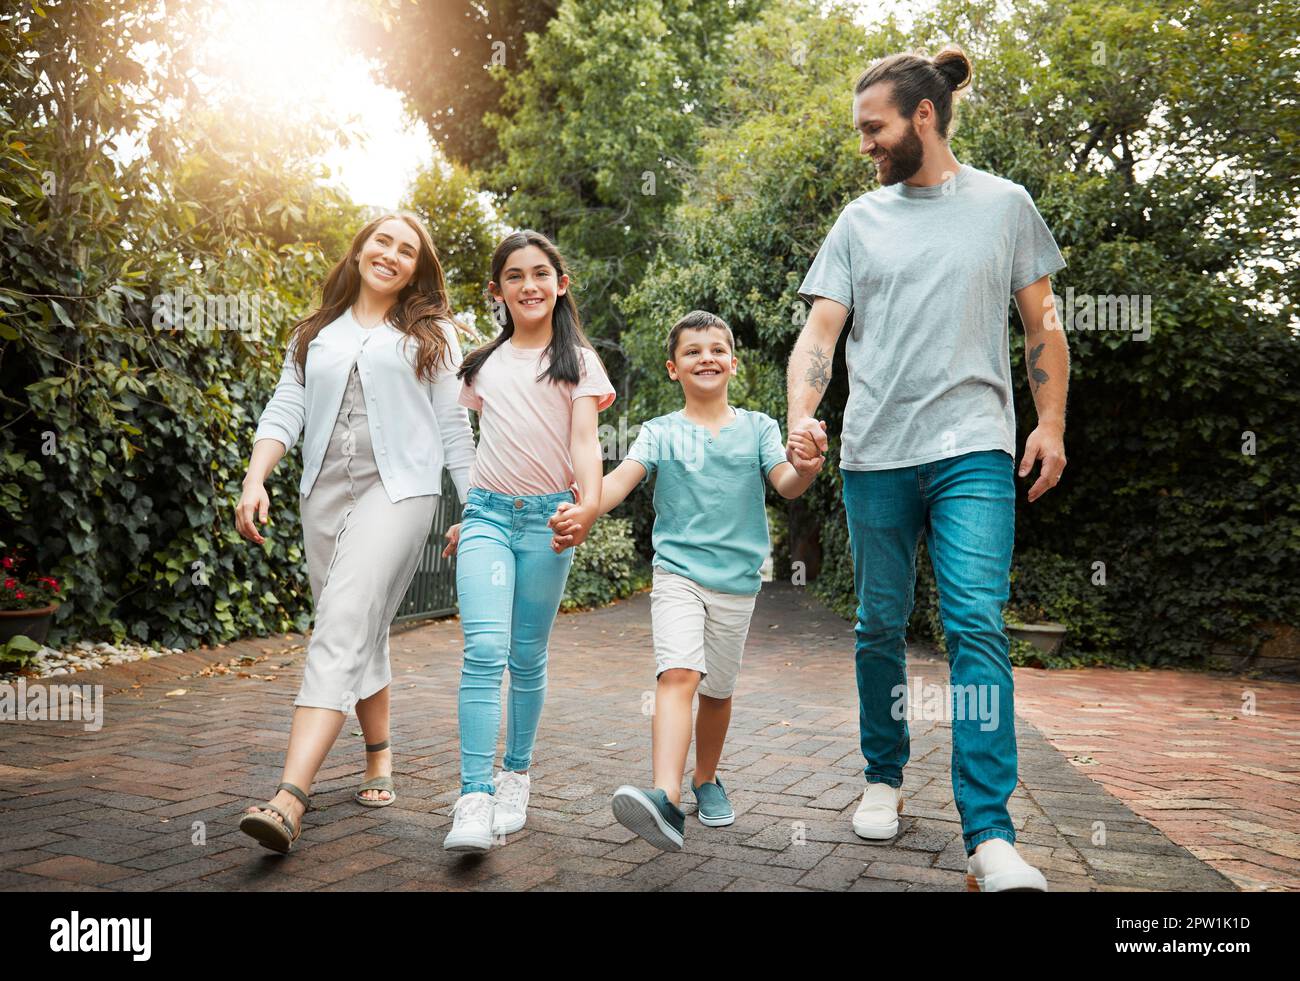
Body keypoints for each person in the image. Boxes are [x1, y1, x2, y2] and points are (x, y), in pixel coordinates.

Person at [787, 46, 1070, 891]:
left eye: (873, 128)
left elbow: (1043, 327)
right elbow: (821, 334)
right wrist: (801, 413)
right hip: (876, 453)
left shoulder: (1005, 207)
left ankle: (989, 833)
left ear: (923, 116)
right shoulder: (857, 221)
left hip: (975, 449)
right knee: (879, 624)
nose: (864, 144)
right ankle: (883, 774)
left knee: (976, 623)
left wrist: (1049, 422)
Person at [235, 213, 475, 853]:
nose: (391, 255)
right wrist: (256, 478)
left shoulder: (432, 336)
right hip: (322, 495)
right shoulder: (315, 333)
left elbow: (454, 430)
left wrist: (474, 508)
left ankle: (289, 798)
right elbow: (285, 407)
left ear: (417, 269)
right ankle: (378, 754)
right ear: (361, 249)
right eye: (382, 242)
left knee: (340, 621)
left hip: (400, 492)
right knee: (355, 624)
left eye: (407, 250)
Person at [550, 310, 823, 850]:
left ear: (733, 364)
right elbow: (619, 482)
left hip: (738, 583)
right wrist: (584, 510)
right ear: (673, 368)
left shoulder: (759, 428)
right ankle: (665, 799)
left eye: (716, 349)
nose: (706, 358)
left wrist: (809, 466)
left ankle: (706, 780)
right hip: (677, 576)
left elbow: (787, 485)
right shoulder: (659, 432)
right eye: (692, 351)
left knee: (718, 692)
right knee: (678, 674)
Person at [441, 230, 615, 853]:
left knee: (525, 654)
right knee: (485, 649)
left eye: (541, 274)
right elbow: (479, 445)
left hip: (549, 522)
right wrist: (471, 514)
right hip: (488, 517)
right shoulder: (481, 366)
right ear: (497, 292)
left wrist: (587, 506)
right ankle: (473, 797)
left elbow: (584, 446)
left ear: (560, 284)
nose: (529, 285)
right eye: (514, 276)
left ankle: (515, 776)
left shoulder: (578, 363)